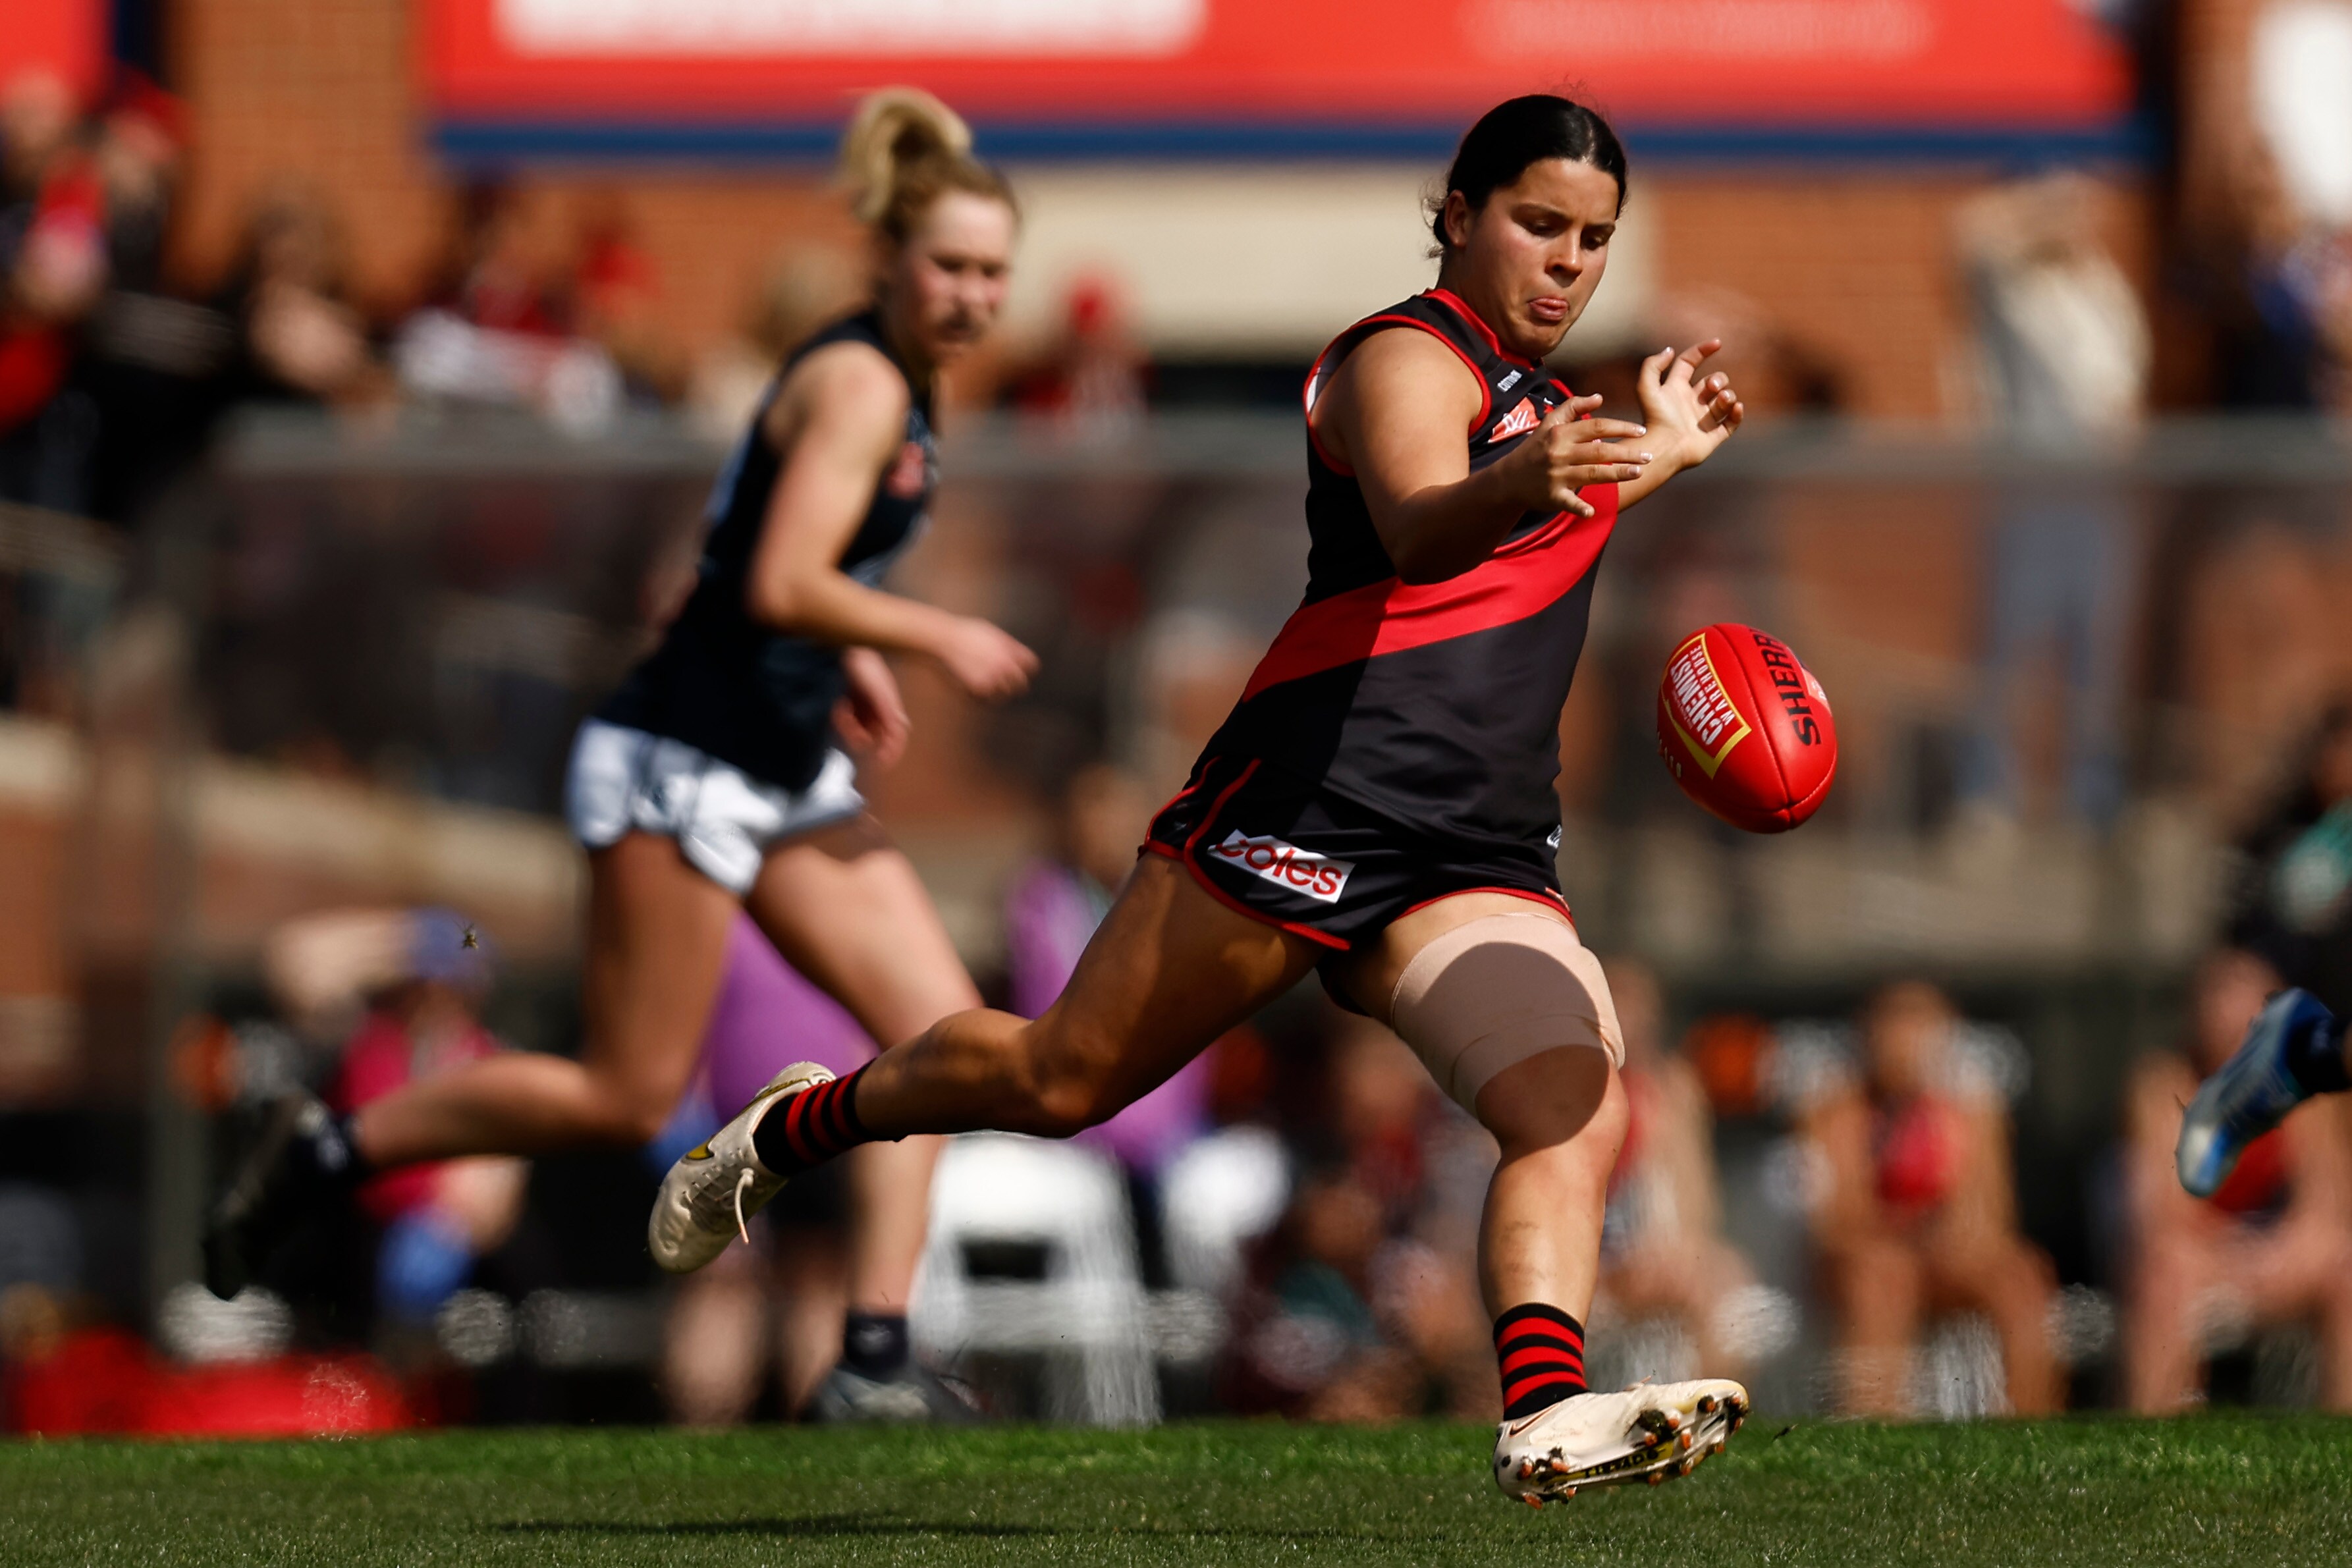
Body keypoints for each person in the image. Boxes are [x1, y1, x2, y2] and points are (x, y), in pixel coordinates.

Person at [653, 94, 1749, 1501]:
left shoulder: (1550, 416)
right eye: (1538, 222)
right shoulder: (1402, 358)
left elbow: (1546, 512)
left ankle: (1543, 1409)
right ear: (1461, 212)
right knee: (1058, 1078)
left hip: (1473, 853)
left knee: (1574, 1101)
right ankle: (801, 1122)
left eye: (1594, 240)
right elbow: (1423, 519)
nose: (1567, 261)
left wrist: (1655, 447)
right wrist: (1541, 468)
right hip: (1306, 806)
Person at [203, 87, 1036, 1419]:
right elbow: (775, 576)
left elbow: (768, 566)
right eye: (949, 264)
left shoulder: (891, 377)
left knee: (949, 1041)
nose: (973, 293)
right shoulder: (866, 383)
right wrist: (930, 630)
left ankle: (874, 1353)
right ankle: (331, 1146)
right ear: (888, 260)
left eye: (995, 272)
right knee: (621, 1091)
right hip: (680, 757)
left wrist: (850, 653)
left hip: (776, 762)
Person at [1802, 981, 2060, 1417]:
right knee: (1882, 1277)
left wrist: (1946, 1141)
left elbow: (1993, 1218)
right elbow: (1835, 1222)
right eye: (1894, 1025)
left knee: (2021, 1277)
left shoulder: (1973, 1112)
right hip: (1869, 1262)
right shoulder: (1836, 1109)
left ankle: (2030, 1428)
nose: (1906, 1041)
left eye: (1920, 1024)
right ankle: (1874, 1434)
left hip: (1944, 1261)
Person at [2125, 948, 2352, 1411]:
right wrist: (2233, 1257)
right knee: (2166, 1270)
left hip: (2272, 1255)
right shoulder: (2161, 1084)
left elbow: (2326, 1203)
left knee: (2344, 1264)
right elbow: (2163, 1216)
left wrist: (2275, 1257)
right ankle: (2152, 1437)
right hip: (2199, 1257)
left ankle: (2340, 1434)